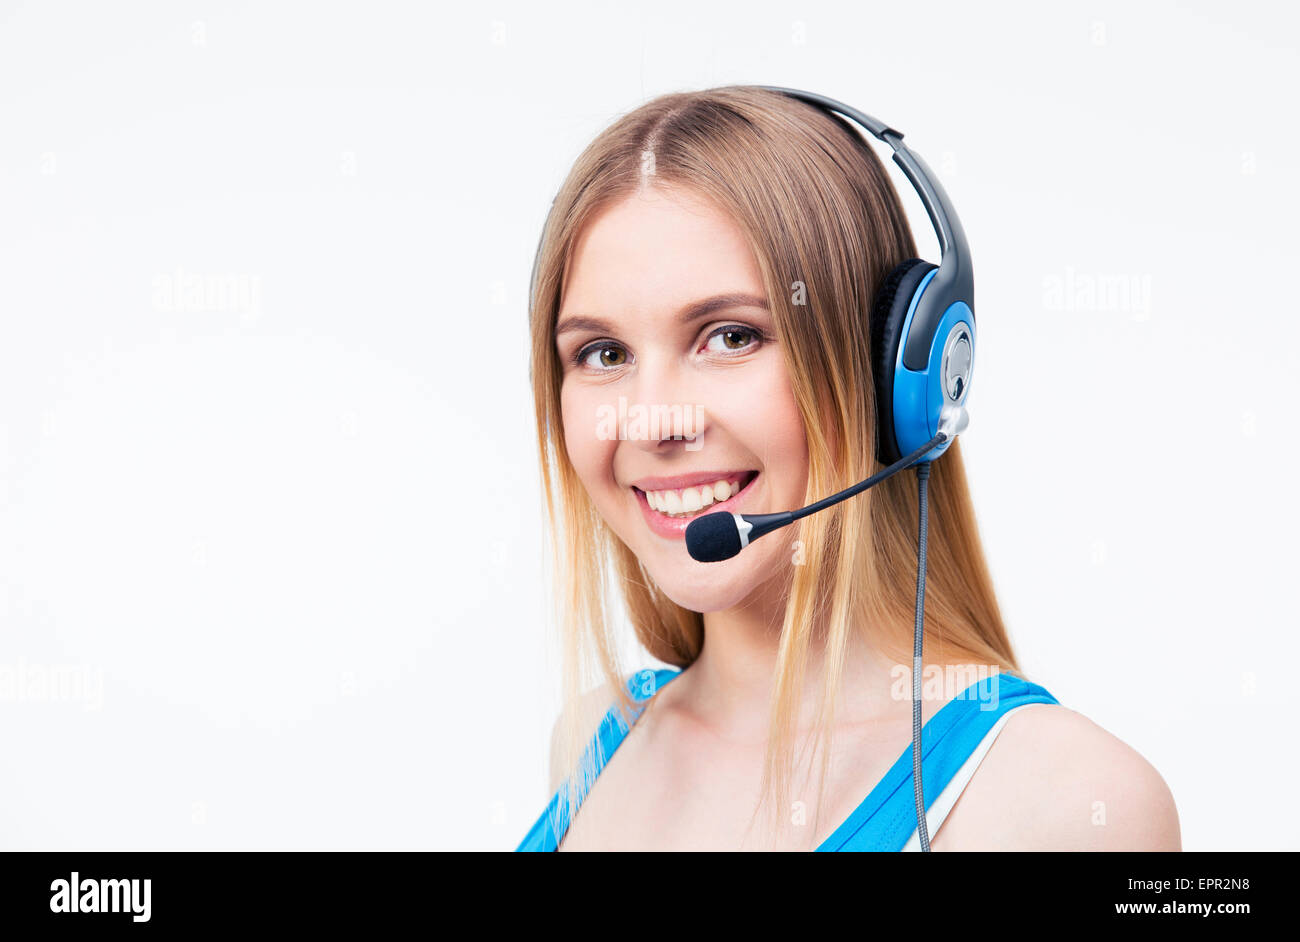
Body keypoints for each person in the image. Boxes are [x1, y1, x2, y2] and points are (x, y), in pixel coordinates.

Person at [518, 85, 1180, 851]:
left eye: (730, 336)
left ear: (894, 370)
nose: (653, 420)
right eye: (604, 354)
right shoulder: (596, 740)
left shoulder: (1063, 800)